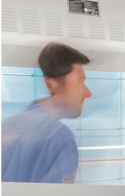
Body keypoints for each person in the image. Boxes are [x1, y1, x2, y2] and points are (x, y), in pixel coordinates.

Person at [1, 42, 91, 184]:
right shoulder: (60, 137)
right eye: (80, 80)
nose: (88, 92)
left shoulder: (8, 124)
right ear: (51, 84)